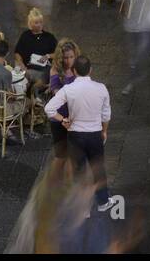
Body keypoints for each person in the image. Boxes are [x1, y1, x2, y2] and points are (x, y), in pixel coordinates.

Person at [45, 56, 113, 212]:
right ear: (90, 70)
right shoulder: (101, 88)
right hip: (95, 134)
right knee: (98, 168)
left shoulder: (68, 90)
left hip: (75, 136)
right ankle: (103, 202)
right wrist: (104, 131)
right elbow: (106, 115)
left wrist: (63, 119)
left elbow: (49, 109)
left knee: (78, 171)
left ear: (74, 71)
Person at [14, 8, 58, 96]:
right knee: (21, 80)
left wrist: (48, 56)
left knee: (37, 82)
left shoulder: (49, 37)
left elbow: (58, 54)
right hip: (28, 68)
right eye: (36, 23)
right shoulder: (25, 36)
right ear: (30, 24)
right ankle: (27, 99)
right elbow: (17, 53)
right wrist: (21, 64)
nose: (39, 25)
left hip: (44, 69)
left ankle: (35, 95)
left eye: (41, 22)